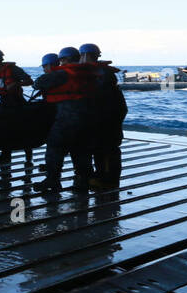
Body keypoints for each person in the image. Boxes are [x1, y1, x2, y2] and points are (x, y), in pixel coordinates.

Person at [32, 46, 98, 193]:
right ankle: (83, 181)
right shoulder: (88, 72)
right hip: (87, 118)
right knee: (81, 150)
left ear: (64, 59)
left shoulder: (62, 74)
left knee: (54, 148)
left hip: (67, 118)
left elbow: (38, 83)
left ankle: (52, 180)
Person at [82, 43, 126, 189]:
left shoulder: (101, 75)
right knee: (102, 150)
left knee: (106, 150)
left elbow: (100, 97)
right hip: (108, 117)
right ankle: (103, 177)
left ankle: (108, 181)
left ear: (86, 55)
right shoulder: (103, 73)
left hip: (106, 119)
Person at [0, 48, 33, 165]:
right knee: (4, 130)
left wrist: (16, 84)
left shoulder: (13, 69)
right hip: (4, 103)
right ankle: (5, 155)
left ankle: (28, 157)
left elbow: (29, 81)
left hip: (18, 103)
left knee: (24, 130)